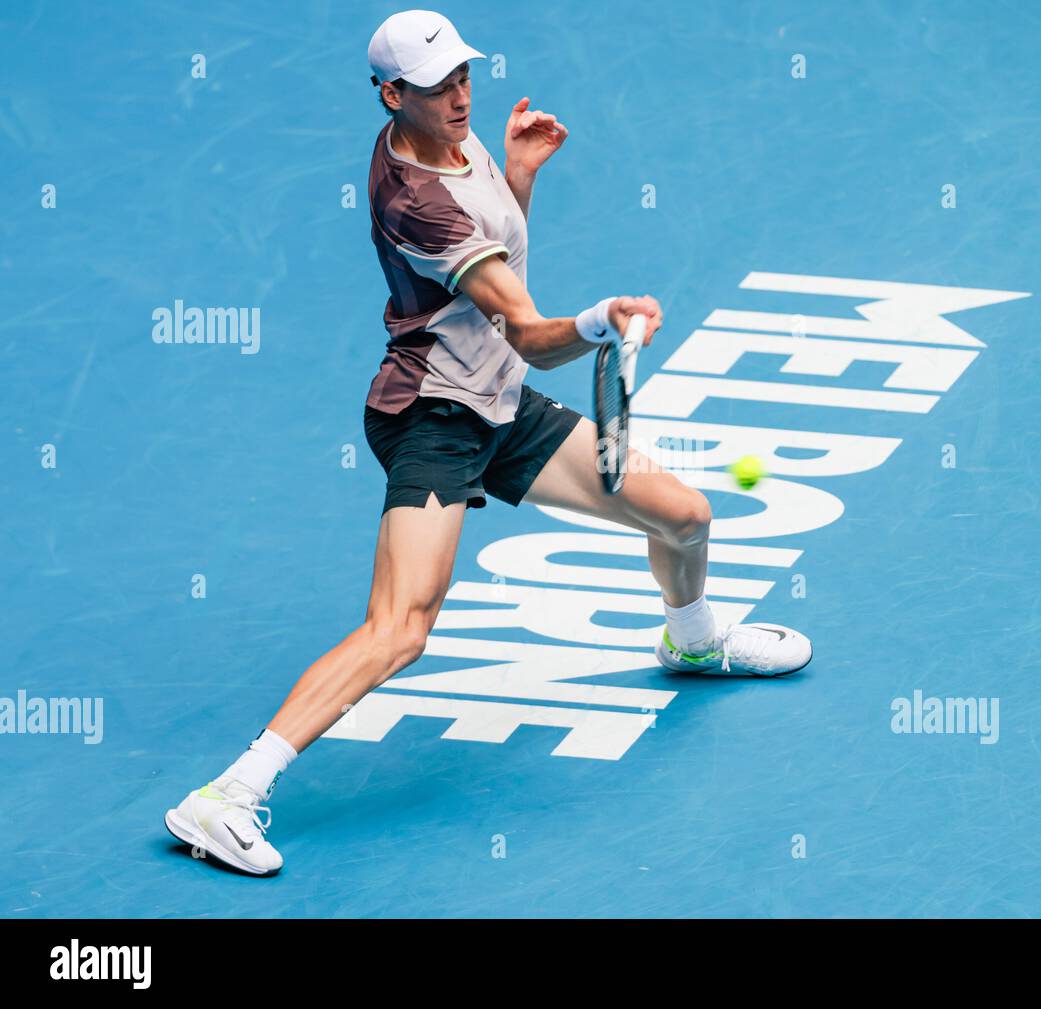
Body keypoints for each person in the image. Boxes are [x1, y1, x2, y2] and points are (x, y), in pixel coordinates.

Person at [164, 9, 812, 876]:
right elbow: (529, 332)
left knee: (685, 514)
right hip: (432, 414)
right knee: (401, 630)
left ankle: (691, 639)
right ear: (393, 96)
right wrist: (602, 320)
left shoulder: (451, 143)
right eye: (439, 89)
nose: (462, 95)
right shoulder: (416, 203)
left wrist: (517, 174)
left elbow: (497, 260)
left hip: (498, 405)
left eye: (465, 75)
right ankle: (225, 798)